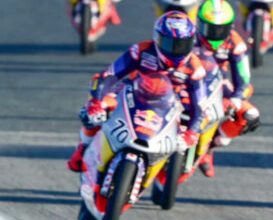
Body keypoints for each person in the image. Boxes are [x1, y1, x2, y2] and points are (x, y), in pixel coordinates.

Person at [67, 12, 208, 172]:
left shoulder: (196, 68)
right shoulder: (140, 50)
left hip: (170, 103)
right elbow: (109, 76)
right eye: (169, 43)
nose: (175, 50)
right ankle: (82, 148)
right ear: (158, 39)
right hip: (132, 92)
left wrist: (192, 132)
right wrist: (95, 102)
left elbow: (200, 105)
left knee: (186, 131)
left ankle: (167, 172)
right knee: (94, 112)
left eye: (181, 44)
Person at [190, 0, 260, 177]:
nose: (215, 33)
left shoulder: (236, 43)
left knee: (249, 115)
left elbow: (244, 79)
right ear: (199, 23)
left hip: (216, 85)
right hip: (183, 82)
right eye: (210, 28)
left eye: (221, 29)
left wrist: (236, 99)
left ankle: (209, 146)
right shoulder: (186, 35)